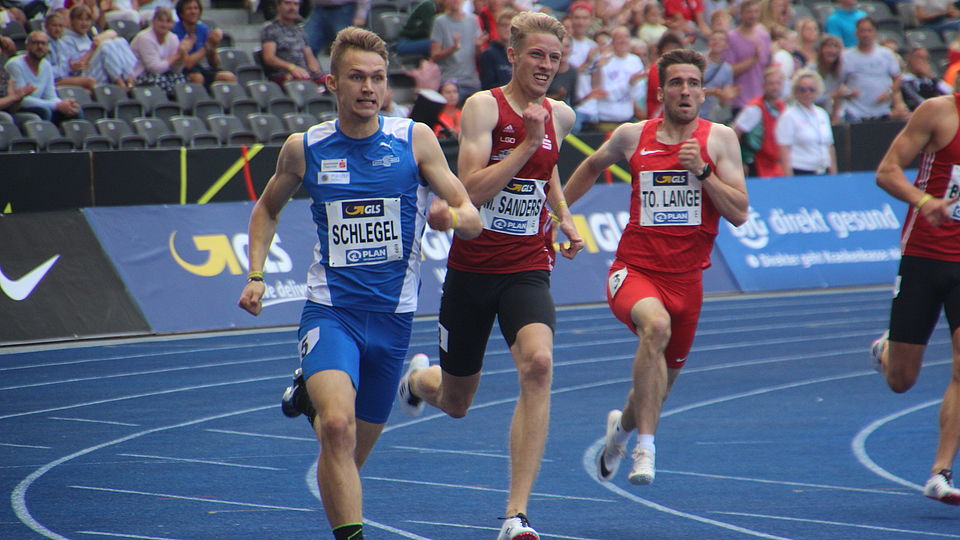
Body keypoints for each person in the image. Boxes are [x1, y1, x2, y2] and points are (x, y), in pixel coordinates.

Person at [238, 26, 481, 540]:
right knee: (336, 428)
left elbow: (472, 215)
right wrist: (256, 274)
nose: (368, 88)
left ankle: (310, 390)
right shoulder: (304, 148)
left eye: (377, 78)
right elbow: (265, 209)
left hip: (392, 324)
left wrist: (450, 218)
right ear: (332, 82)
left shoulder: (414, 140)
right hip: (332, 312)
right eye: (356, 77)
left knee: (350, 455)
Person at [395, 12, 582, 540]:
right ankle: (418, 378)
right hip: (472, 270)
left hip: (527, 267)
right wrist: (524, 144)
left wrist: (563, 215)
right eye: (537, 55)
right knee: (456, 402)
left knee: (539, 365)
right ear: (515, 55)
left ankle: (516, 516)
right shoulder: (484, 108)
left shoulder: (560, 116)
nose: (546, 65)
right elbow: (469, 190)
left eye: (554, 57)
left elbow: (548, 173)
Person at [562, 48, 748, 488]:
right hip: (635, 271)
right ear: (661, 91)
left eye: (693, 84)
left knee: (656, 388)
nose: (685, 91)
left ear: (704, 93)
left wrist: (703, 172)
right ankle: (645, 448)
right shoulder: (633, 136)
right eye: (676, 83)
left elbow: (739, 212)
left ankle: (620, 432)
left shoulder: (719, 140)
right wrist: (561, 215)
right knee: (656, 328)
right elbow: (591, 165)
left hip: (688, 282)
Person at [871, 92, 960, 506]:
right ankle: (886, 349)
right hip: (924, 254)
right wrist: (925, 202)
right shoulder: (939, 112)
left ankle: (940, 472)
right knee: (901, 380)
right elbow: (887, 172)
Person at [5, 31, 82, 124]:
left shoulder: (46, 65)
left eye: (43, 43)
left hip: (41, 105)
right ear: (27, 46)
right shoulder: (14, 65)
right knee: (45, 111)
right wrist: (56, 105)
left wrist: (65, 104)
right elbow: (21, 100)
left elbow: (50, 96)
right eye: (35, 43)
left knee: (75, 110)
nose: (40, 47)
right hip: (18, 108)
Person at [840, 17, 907, 123]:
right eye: (862, 31)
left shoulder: (887, 54)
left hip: (882, 111)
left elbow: (897, 78)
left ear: (875, 33)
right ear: (856, 33)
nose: (865, 34)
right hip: (855, 111)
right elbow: (839, 82)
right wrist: (848, 92)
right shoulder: (846, 56)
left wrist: (889, 93)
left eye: (869, 31)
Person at [60, 4, 138, 91]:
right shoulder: (67, 40)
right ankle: (121, 85)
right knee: (106, 45)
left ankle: (130, 80)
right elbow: (77, 68)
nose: (84, 23)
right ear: (72, 21)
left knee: (120, 41)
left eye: (87, 20)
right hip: (84, 75)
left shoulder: (86, 37)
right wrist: (92, 50)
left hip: (100, 69)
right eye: (80, 19)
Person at [775, 69, 836, 175]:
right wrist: (789, 179)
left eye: (811, 89)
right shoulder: (789, 116)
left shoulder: (822, 113)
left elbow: (829, 145)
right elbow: (784, 149)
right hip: (801, 171)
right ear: (795, 91)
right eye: (802, 90)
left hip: (822, 170)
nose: (807, 93)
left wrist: (834, 173)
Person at [733, 65, 785, 177]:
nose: (775, 87)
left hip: (775, 165)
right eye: (771, 84)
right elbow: (735, 133)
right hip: (756, 163)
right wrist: (740, 162)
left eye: (778, 84)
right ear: (764, 86)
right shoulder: (754, 109)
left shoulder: (783, 107)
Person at [172, 0, 236, 87]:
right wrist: (208, 45)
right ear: (181, 13)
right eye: (189, 9)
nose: (193, 12)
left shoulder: (203, 29)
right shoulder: (175, 31)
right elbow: (187, 64)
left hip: (199, 68)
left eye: (196, 8)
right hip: (180, 71)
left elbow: (215, 64)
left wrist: (213, 46)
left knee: (228, 77)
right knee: (197, 78)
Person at [430, 0, 484, 102]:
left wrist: (478, 47)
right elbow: (434, 55)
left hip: (472, 81)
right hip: (450, 81)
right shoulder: (440, 21)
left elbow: (479, 54)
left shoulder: (473, 20)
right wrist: (453, 48)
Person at [261, 0, 325, 86]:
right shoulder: (270, 29)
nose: (292, 8)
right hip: (283, 75)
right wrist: (292, 68)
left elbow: (309, 56)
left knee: (331, 81)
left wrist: (316, 71)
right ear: (278, 6)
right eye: (287, 3)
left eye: (296, 4)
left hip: (305, 74)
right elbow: (269, 58)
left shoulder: (300, 30)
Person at [724, 0, 771, 115]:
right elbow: (729, 71)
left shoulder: (763, 35)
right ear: (741, 14)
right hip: (740, 102)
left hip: (761, 101)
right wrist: (753, 59)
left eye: (756, 12)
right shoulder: (731, 38)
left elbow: (768, 65)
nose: (753, 15)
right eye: (749, 12)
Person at [131, 7, 189, 96]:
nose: (164, 25)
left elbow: (176, 70)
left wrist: (182, 56)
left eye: (168, 21)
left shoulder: (173, 38)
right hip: (142, 76)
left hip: (164, 75)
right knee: (160, 83)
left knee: (181, 80)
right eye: (161, 21)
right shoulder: (144, 38)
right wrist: (176, 56)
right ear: (153, 22)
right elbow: (155, 69)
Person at [44, 11, 97, 93]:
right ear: (47, 26)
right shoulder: (44, 44)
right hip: (53, 81)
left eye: (61, 26)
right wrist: (69, 68)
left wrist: (75, 67)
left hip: (66, 78)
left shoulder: (63, 44)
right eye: (54, 25)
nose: (58, 29)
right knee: (90, 82)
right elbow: (47, 71)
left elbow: (72, 65)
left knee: (88, 92)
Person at [700, 29, 737, 124]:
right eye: (714, 39)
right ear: (709, 42)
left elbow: (724, 101)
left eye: (721, 40)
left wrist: (725, 96)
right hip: (695, 112)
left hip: (710, 116)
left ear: (726, 45)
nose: (717, 42)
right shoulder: (699, 60)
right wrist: (713, 92)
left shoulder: (727, 69)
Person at [901, 45, 952, 112]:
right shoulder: (904, 81)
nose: (922, 62)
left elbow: (950, 93)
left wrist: (932, 78)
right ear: (909, 59)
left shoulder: (930, 81)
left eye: (926, 59)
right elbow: (916, 101)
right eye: (919, 58)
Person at [480, 8, 514, 90]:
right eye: (504, 25)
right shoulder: (488, 54)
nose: (507, 29)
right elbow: (487, 86)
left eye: (510, 26)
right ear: (497, 27)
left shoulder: (521, 54)